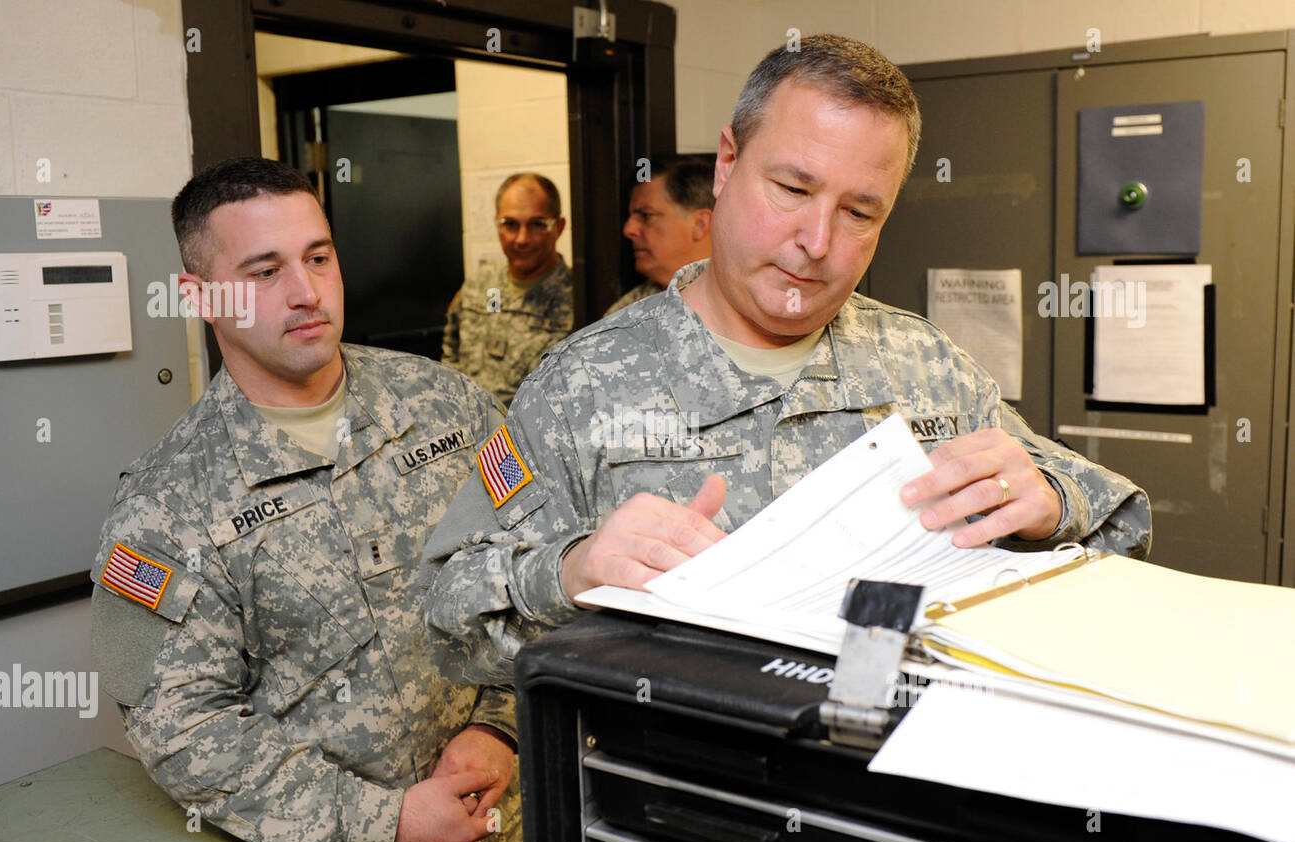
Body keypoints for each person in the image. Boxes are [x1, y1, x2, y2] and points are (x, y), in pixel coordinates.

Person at [419, 35, 1152, 685]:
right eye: (793, 189)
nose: (818, 240)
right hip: (672, 802)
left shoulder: (926, 365)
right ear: (728, 164)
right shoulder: (580, 385)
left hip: (883, 787)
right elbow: (449, 618)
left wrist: (1052, 502)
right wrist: (571, 571)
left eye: (860, 213)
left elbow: (1123, 524)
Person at [89, 157, 519, 842]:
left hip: (515, 820)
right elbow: (182, 727)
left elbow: (536, 566)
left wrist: (499, 726)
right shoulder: (163, 508)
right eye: (264, 272)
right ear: (200, 298)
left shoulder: (448, 405)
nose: (305, 291)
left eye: (318, 257)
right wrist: (384, 818)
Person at [441, 172, 574, 408]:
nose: (522, 239)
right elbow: (451, 350)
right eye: (510, 224)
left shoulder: (577, 298)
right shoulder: (480, 284)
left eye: (536, 225)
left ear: (559, 227)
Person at [605, 154, 715, 316]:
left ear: (700, 224)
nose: (629, 229)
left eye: (646, 216)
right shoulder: (627, 314)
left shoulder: (750, 301)